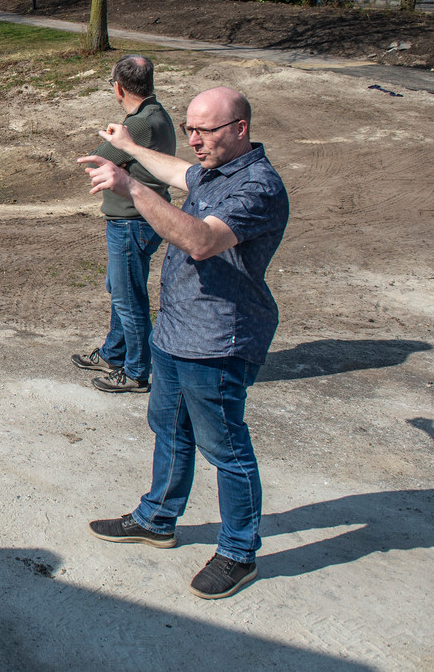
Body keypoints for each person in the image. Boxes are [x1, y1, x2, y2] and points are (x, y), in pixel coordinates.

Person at [79, 86, 288, 600]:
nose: (193, 140)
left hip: (217, 339)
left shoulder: (257, 187)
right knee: (168, 428)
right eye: (190, 129)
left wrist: (130, 187)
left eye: (204, 131)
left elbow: (199, 240)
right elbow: (177, 173)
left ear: (240, 129)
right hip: (175, 331)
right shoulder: (214, 170)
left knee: (226, 447)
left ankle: (239, 552)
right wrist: (129, 145)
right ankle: (157, 519)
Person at [70, 55, 176, 394]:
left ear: (118, 87)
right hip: (135, 220)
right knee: (120, 290)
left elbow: (97, 155)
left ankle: (135, 372)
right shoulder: (154, 116)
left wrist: (118, 147)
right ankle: (114, 352)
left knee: (128, 298)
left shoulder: (141, 123)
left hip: (132, 223)